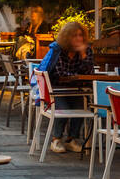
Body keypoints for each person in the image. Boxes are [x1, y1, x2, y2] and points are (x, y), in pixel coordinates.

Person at [39, 20, 94, 154]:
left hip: (75, 90)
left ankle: (71, 139)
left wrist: (83, 55)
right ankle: (56, 139)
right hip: (56, 90)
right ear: (67, 37)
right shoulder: (58, 50)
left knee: (81, 108)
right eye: (74, 35)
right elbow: (59, 73)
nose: (78, 38)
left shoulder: (86, 51)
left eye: (80, 35)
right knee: (64, 110)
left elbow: (88, 72)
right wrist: (76, 76)